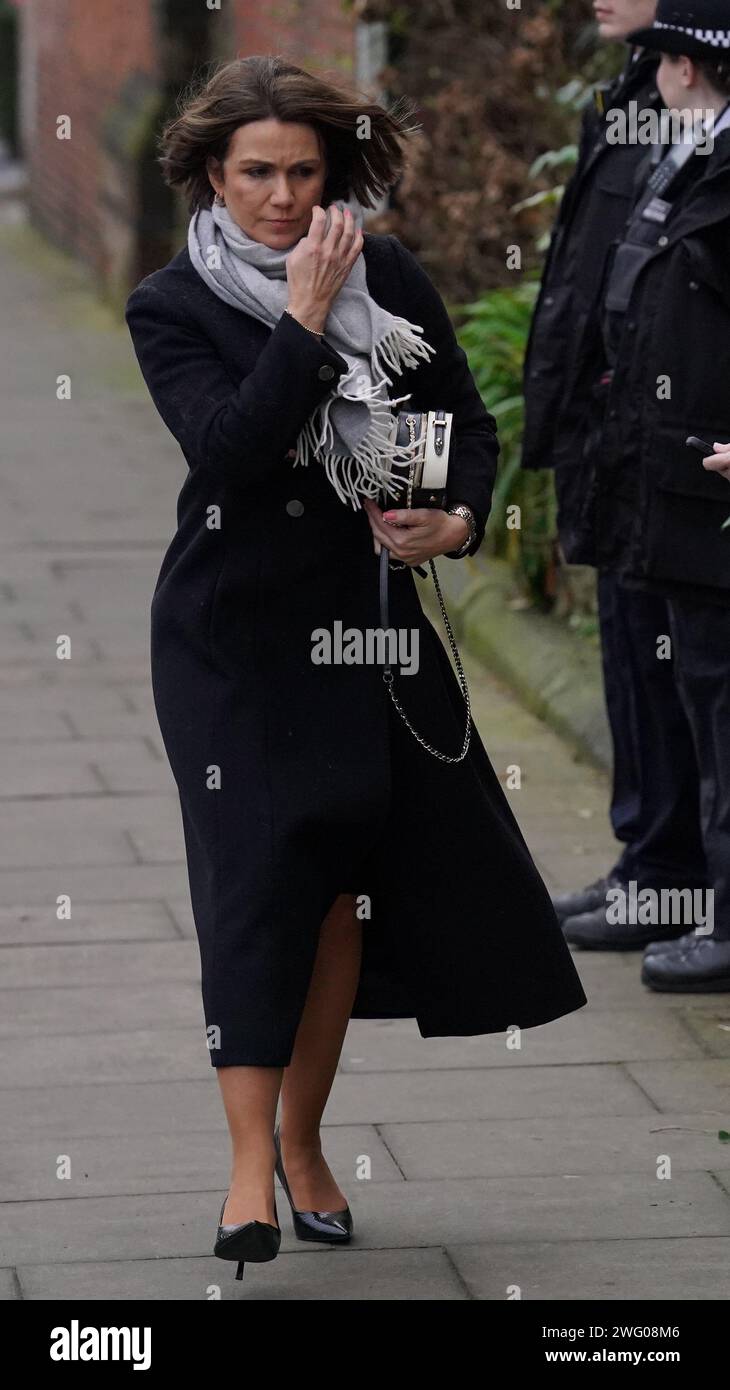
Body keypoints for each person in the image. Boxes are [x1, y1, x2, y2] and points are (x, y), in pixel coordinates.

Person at [124, 54, 586, 1283]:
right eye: (257, 174)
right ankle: (243, 1177)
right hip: (229, 636)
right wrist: (304, 318)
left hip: (367, 629)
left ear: (334, 171)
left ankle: (304, 1138)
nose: (283, 198)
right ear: (212, 179)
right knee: (254, 884)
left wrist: (458, 521)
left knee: (337, 889)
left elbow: (469, 434)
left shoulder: (384, 271)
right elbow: (229, 454)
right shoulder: (172, 304)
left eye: (304, 172)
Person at [556, 0, 730, 991]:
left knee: (710, 689)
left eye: (666, 50)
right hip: (645, 463)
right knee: (666, 671)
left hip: (696, 472)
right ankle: (663, 873)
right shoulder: (653, 129)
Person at [521, 1, 691, 936]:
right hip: (611, 429)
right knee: (633, 652)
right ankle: (650, 863)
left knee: (670, 662)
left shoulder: (692, 102)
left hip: (661, 433)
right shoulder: (634, 88)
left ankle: (672, 874)